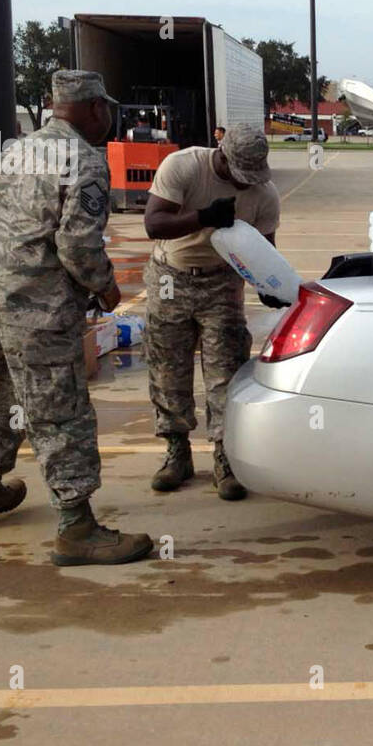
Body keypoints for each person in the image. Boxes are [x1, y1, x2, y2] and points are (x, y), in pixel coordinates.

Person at [0, 70, 153, 566]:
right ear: (93, 108)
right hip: (39, 311)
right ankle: (76, 528)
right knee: (60, 412)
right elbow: (77, 245)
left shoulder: (16, 150)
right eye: (106, 109)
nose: (108, 117)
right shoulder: (85, 161)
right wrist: (105, 285)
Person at [143, 123, 283, 501]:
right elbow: (153, 224)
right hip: (171, 278)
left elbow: (264, 249)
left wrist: (269, 286)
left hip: (222, 283)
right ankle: (177, 453)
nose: (244, 186)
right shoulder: (183, 167)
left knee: (225, 374)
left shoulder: (264, 194)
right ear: (221, 153)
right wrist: (202, 218)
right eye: (239, 175)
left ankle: (224, 457)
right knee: (168, 369)